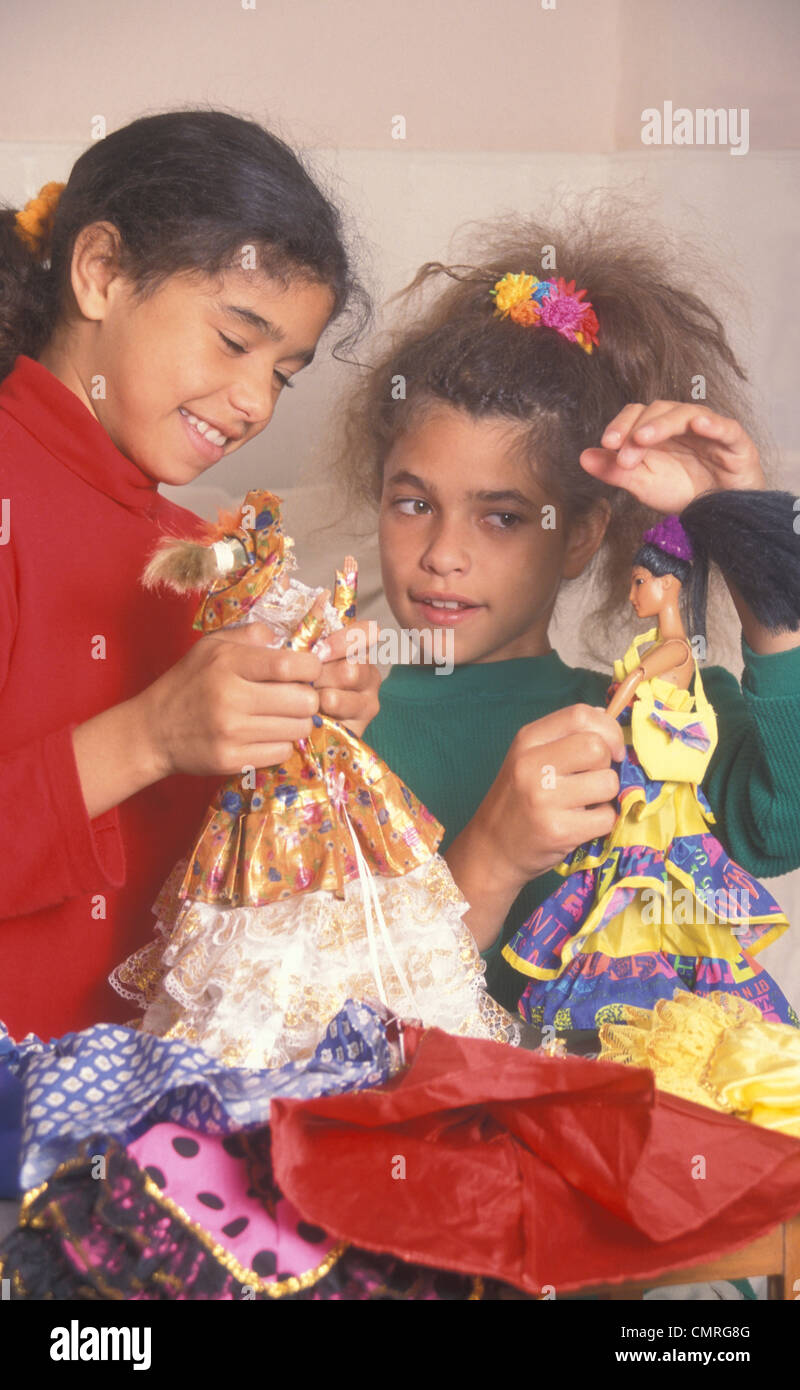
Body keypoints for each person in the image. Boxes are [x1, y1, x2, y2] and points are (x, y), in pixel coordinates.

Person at [348, 206, 800, 1013]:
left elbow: (784, 819)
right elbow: (331, 1026)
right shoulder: (330, 733)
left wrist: (749, 528)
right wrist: (489, 855)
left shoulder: (641, 715)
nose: (444, 553)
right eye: (413, 504)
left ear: (582, 536)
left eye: (502, 517)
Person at [0, 109, 379, 1041]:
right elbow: (149, 747)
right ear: (100, 273)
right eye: (233, 339)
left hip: (158, 1120)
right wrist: (151, 737)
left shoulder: (204, 551)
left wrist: (302, 728)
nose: (255, 401)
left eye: (284, 371)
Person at [110, 489, 517, 1066]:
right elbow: (299, 651)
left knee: (350, 891)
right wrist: (322, 640)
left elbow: (325, 638)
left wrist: (342, 609)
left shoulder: (273, 601)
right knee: (278, 904)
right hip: (281, 775)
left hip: (320, 760)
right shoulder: (245, 615)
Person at [503, 500, 799, 1027]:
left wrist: (606, 713)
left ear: (669, 587)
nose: (632, 593)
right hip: (644, 793)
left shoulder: (674, 651)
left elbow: (638, 682)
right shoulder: (659, 646)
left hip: (660, 800)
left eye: (641, 582)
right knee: (630, 894)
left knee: (645, 890)